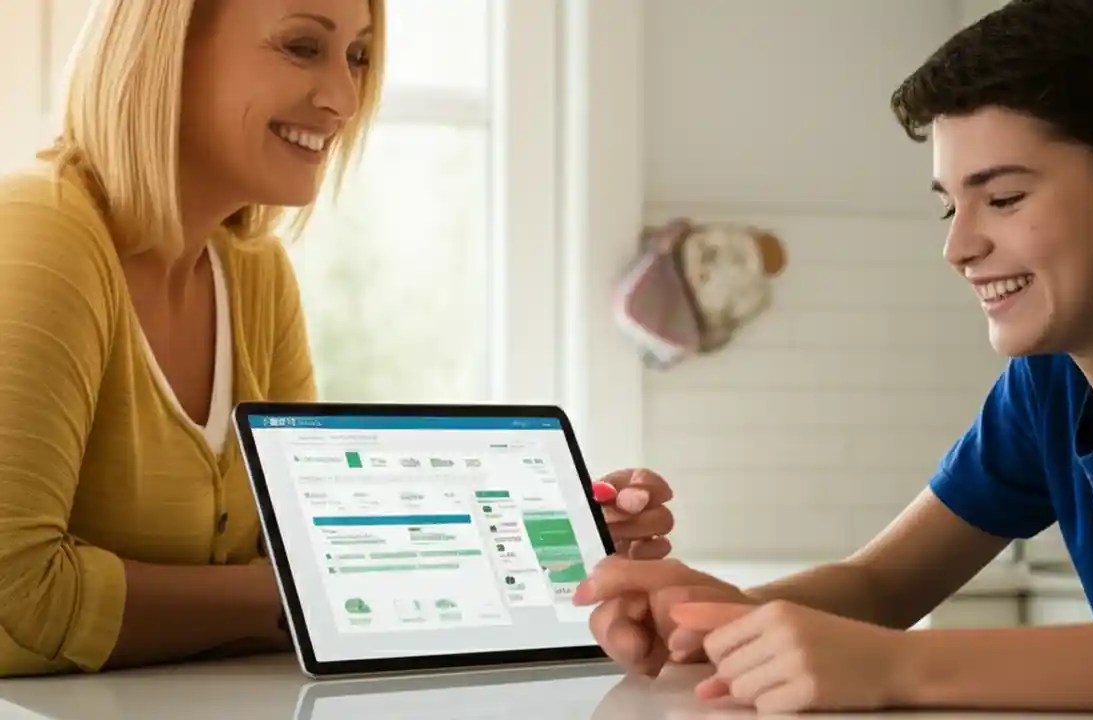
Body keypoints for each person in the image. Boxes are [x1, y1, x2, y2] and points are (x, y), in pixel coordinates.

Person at [577, 0, 1093, 713]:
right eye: (950, 206)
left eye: (1002, 197)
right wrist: (706, 618)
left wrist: (899, 666)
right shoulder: (1050, 383)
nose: (958, 247)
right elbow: (879, 587)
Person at [0, 0, 675, 678]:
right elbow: (16, 591)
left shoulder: (255, 272)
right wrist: (337, 591)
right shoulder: (38, 234)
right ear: (165, 49)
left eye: (357, 56)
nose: (346, 99)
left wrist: (518, 549)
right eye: (301, 47)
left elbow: (297, 541)